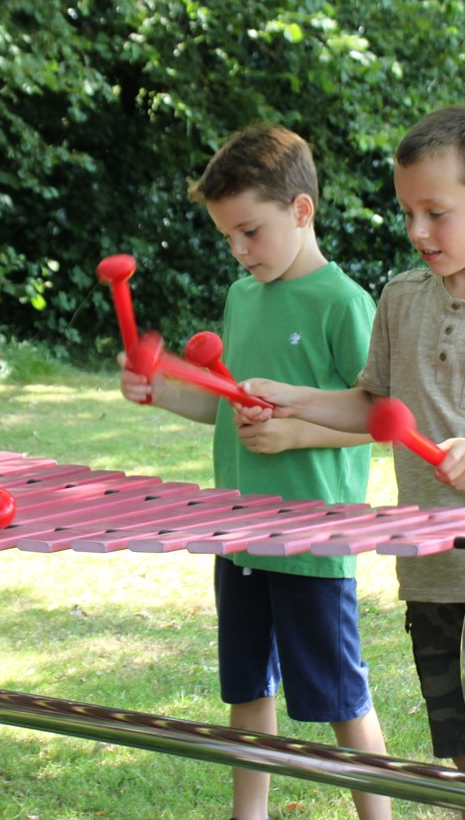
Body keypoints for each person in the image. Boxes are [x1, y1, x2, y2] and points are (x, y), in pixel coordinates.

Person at [238, 105, 465, 820]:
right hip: (432, 576)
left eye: (436, 213)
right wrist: (294, 400)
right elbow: (372, 405)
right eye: (408, 212)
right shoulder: (403, 299)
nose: (417, 232)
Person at [119, 126, 391, 820]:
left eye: (250, 232)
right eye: (228, 238)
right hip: (239, 533)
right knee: (247, 687)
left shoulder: (344, 304)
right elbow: (226, 406)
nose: (239, 251)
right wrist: (159, 392)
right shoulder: (244, 297)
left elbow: (376, 416)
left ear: (301, 211)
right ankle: (251, 813)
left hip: (312, 539)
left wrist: (294, 432)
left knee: (339, 697)